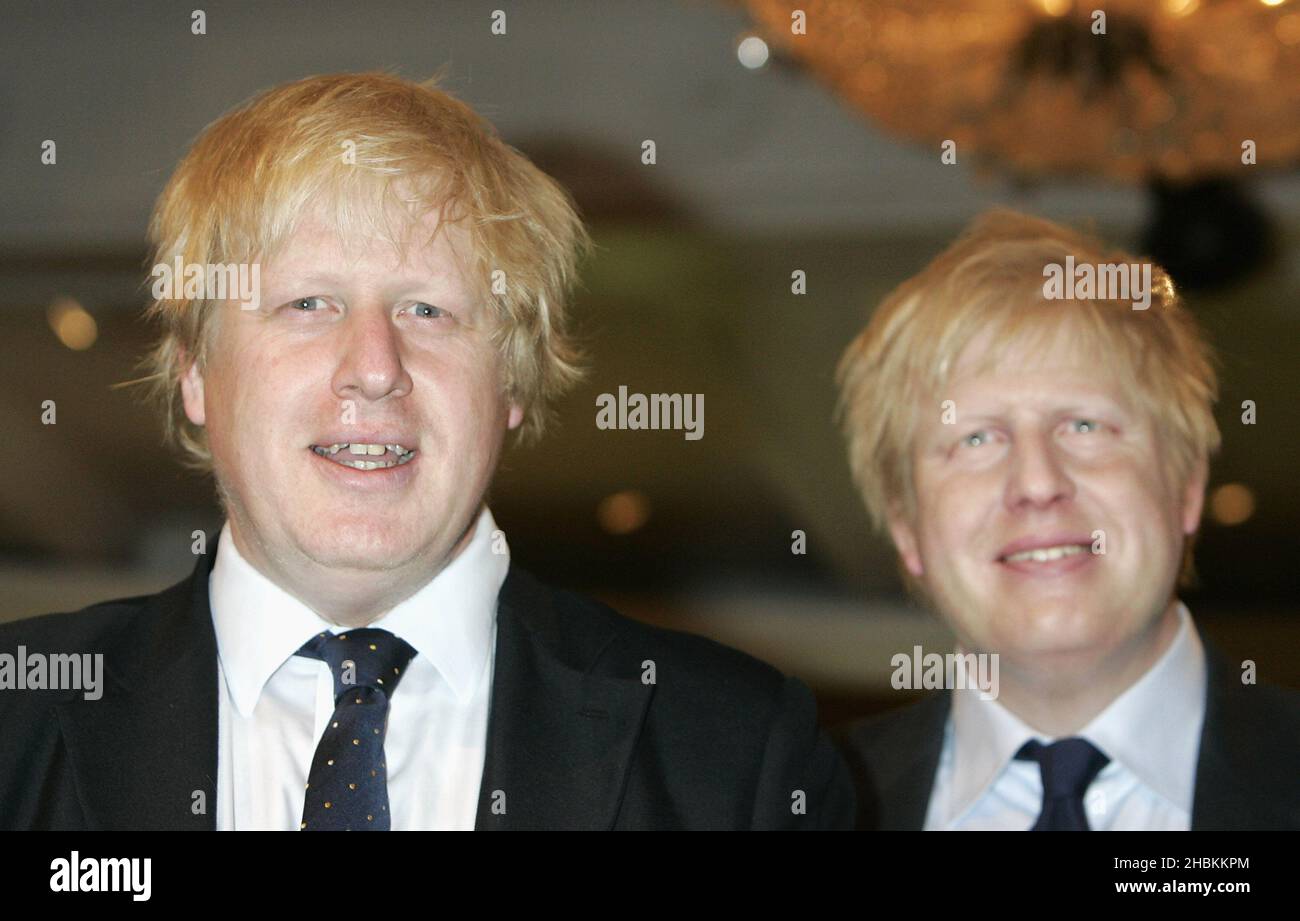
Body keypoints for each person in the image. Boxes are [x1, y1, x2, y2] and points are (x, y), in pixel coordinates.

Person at [0, 72, 852, 830]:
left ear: (512, 384)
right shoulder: (17, 715)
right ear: (193, 371)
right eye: (307, 303)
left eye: (428, 311)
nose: (374, 370)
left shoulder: (738, 755)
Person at [834, 209, 1300, 830]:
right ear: (905, 525)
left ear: (1186, 485)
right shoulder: (798, 805)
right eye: (976, 439)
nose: (1037, 483)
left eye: (1085, 426)